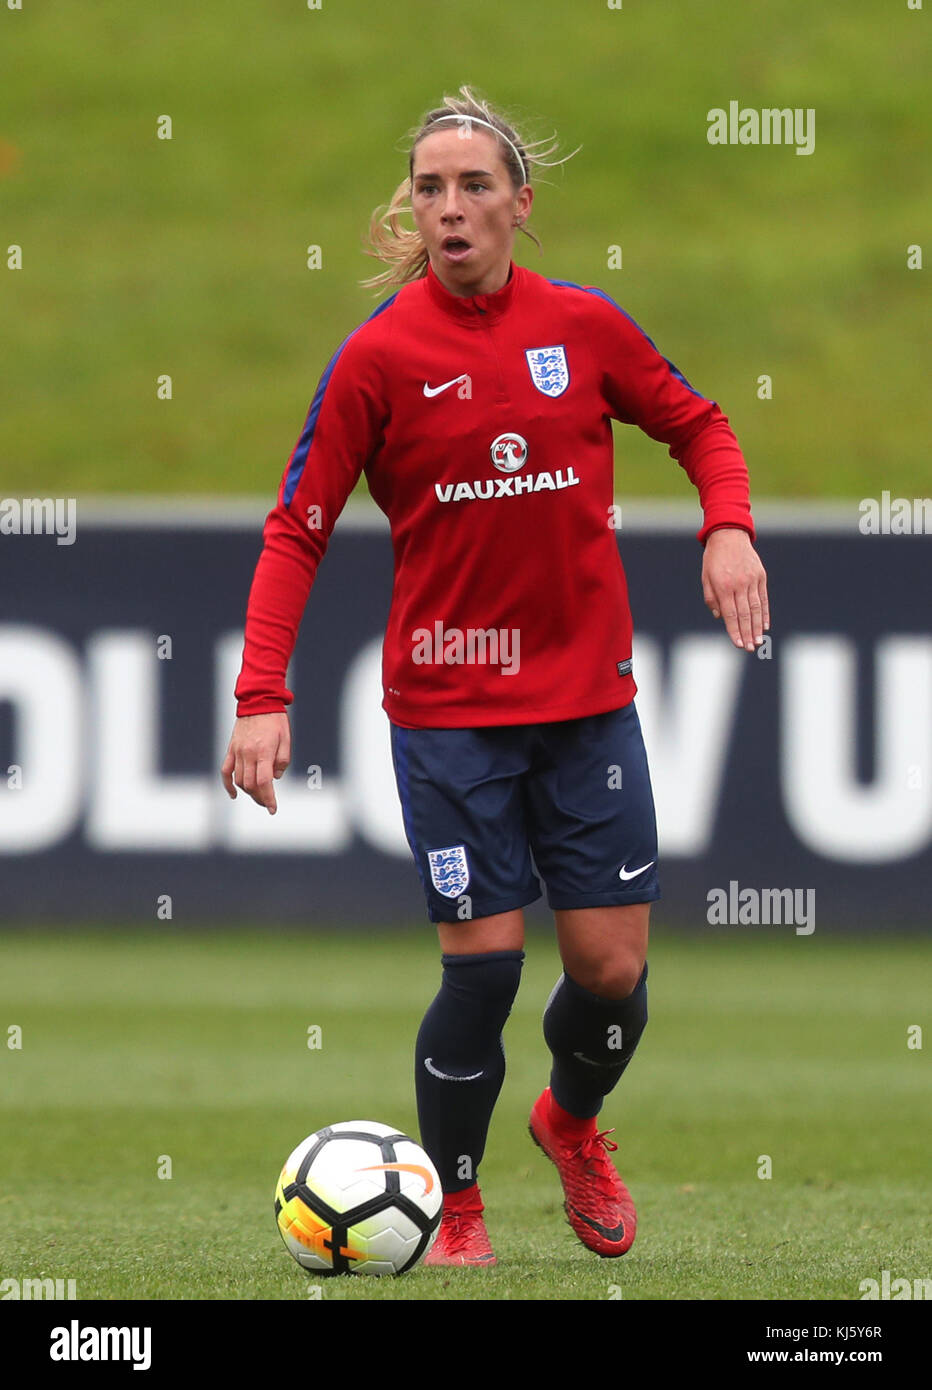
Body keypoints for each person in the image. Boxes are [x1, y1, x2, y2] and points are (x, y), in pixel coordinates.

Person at [222, 86, 769, 1268]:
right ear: (412, 209)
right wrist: (260, 695)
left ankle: (568, 1122)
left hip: (586, 706)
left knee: (610, 972)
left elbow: (700, 425)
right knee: (482, 970)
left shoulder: (583, 327)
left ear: (520, 202)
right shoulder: (377, 359)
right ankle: (454, 1210)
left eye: (474, 186)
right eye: (430, 188)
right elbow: (295, 528)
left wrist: (725, 526)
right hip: (450, 715)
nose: (451, 207)